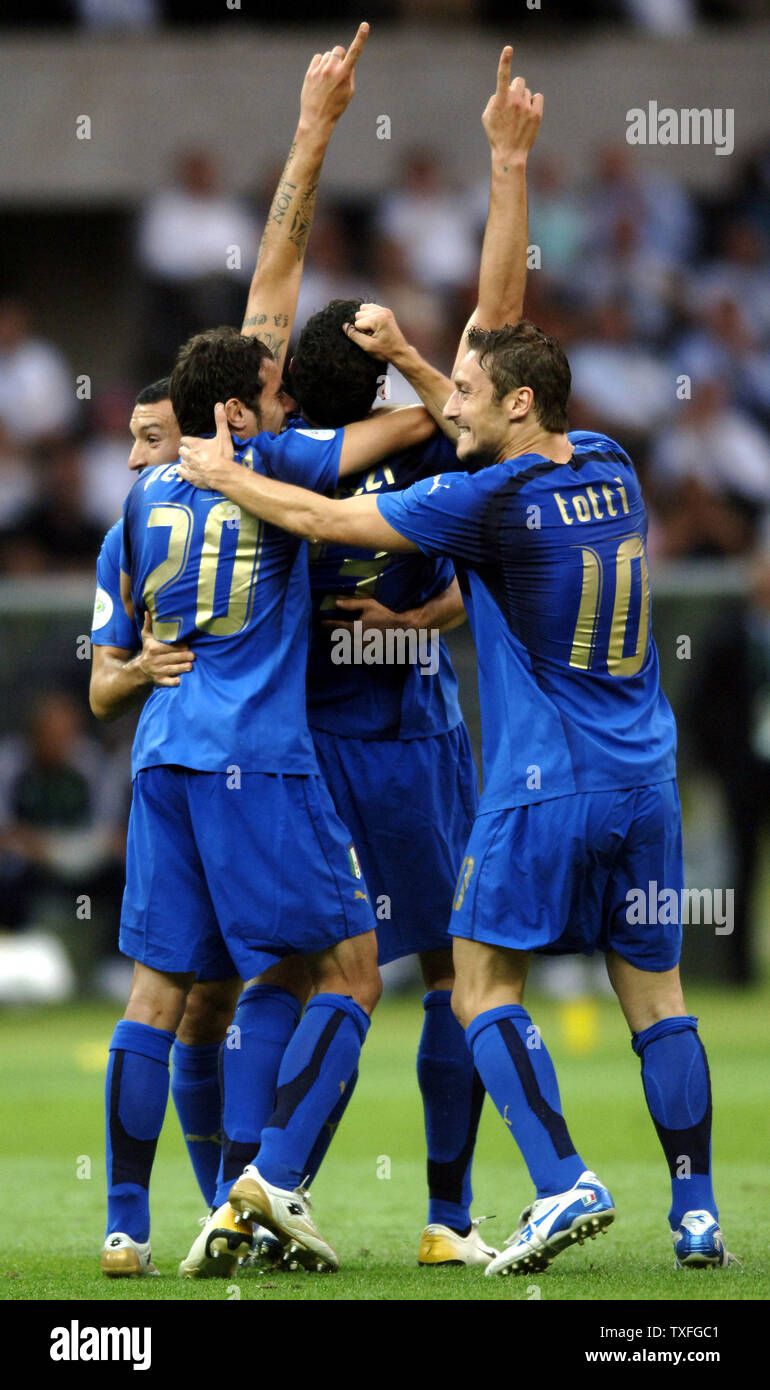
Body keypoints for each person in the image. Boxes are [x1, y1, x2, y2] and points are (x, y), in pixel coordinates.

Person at [178, 315, 736, 1277]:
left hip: (543, 786)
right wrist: (410, 359)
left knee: (477, 986)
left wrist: (229, 477)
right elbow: (472, 418)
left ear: (519, 403)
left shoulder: (482, 502)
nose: (448, 404)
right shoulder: (609, 461)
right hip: (647, 776)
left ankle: (562, 1180)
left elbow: (326, 520)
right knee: (659, 1003)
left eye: (469, 391)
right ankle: (696, 1217)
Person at [98, 27, 429, 1279]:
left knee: (166, 994)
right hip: (259, 758)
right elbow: (384, 433)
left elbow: (269, 283)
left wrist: (310, 130)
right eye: (273, 382)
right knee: (351, 973)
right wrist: (420, 377)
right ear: (237, 406)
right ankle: (264, 1179)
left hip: (164, 756)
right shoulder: (267, 458)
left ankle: (131, 1223)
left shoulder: (143, 497)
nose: (286, 382)